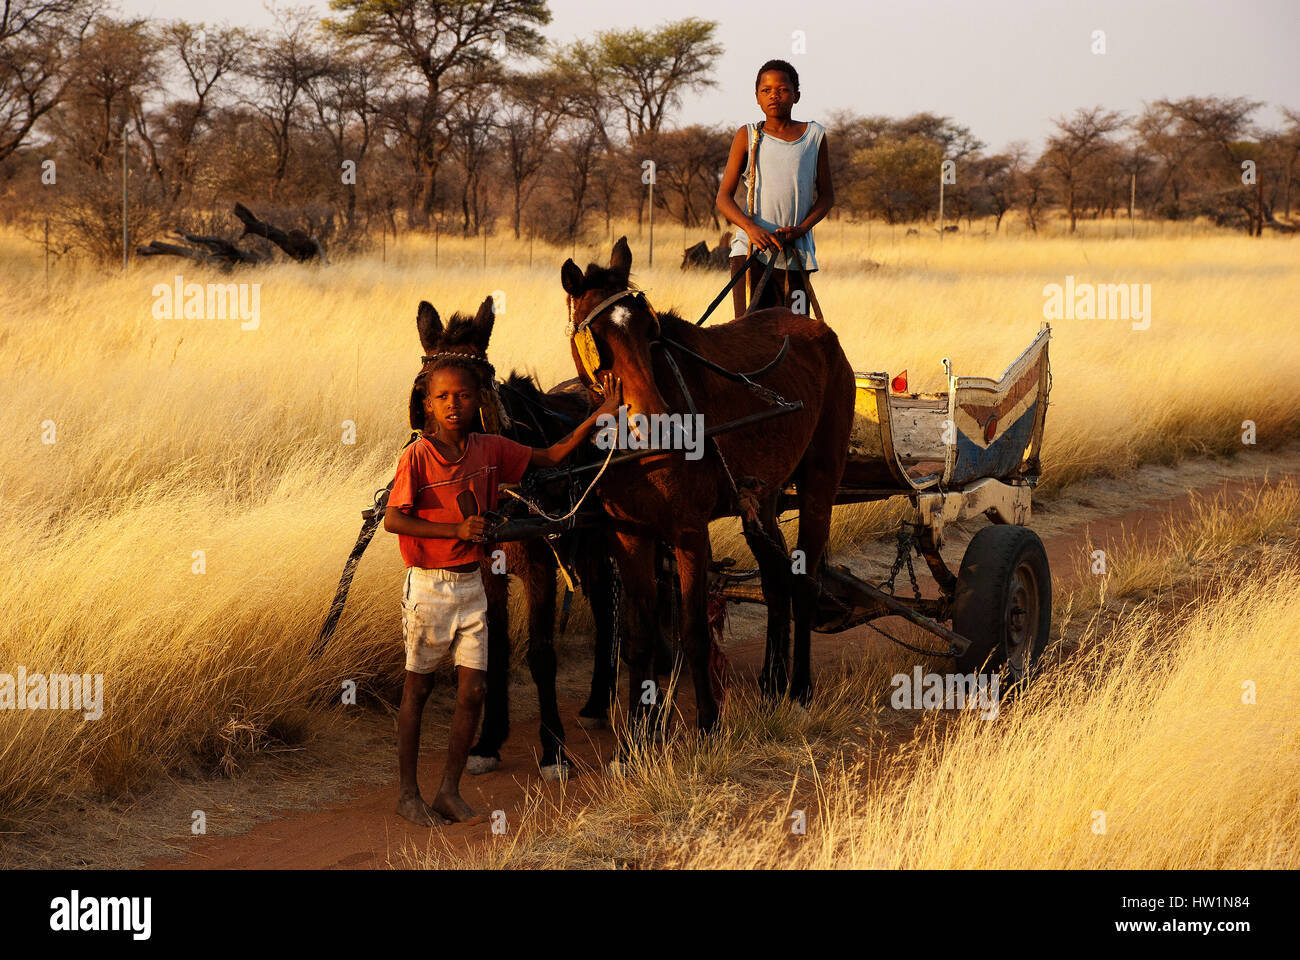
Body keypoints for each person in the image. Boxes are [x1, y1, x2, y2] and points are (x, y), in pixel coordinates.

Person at [384, 357, 622, 826]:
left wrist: (601, 416)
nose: (454, 405)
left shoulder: (491, 448)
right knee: (419, 688)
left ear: (481, 401)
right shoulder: (416, 456)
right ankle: (408, 794)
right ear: (428, 405)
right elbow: (394, 518)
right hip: (430, 587)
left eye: (464, 396)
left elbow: (551, 456)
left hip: (472, 585)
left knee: (473, 691)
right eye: (443, 397)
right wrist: (457, 527)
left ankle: (449, 790)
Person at [716, 58, 835, 318]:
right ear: (757, 97)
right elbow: (723, 198)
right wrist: (751, 229)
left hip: (796, 255)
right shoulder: (747, 136)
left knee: (797, 337)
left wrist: (801, 229)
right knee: (749, 336)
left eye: (782, 90)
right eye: (766, 91)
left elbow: (827, 196)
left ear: (796, 95)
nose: (774, 96)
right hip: (751, 254)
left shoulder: (814, 136)